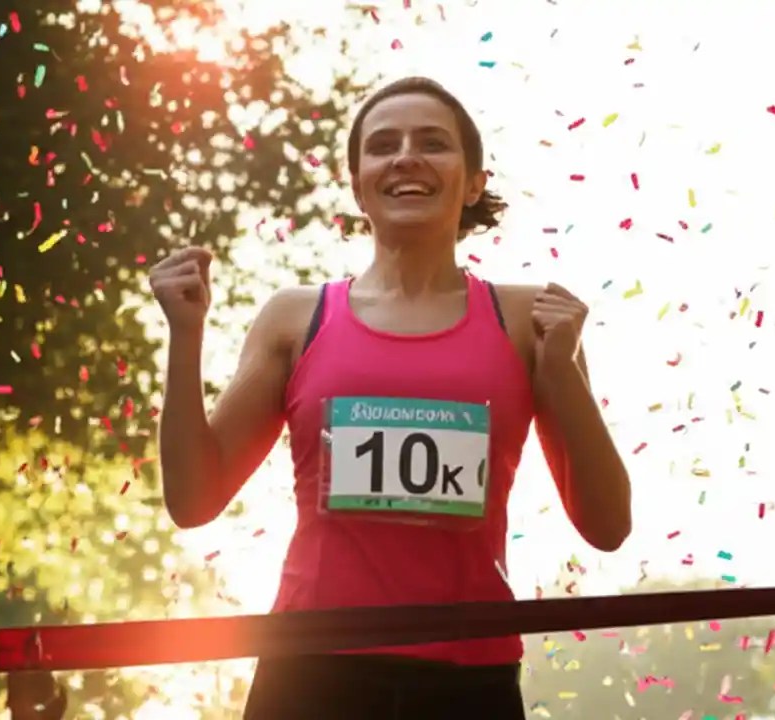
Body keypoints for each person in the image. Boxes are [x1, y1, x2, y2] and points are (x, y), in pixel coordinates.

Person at [151, 75, 633, 719]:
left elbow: (608, 528)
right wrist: (186, 336)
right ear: (358, 185)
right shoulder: (296, 318)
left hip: (469, 679)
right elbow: (193, 500)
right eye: (383, 145)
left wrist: (564, 370)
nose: (406, 156)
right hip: (311, 671)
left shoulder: (532, 319)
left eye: (432, 143)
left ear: (472, 183)